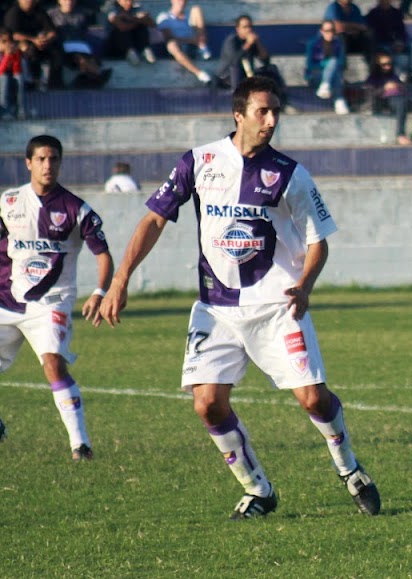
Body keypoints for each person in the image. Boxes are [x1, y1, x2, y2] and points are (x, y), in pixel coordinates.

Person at [96, 76, 381, 521]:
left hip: (278, 304)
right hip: (217, 306)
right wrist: (120, 279)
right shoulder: (200, 161)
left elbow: (318, 241)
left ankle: (349, 469)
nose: (270, 121)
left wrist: (304, 286)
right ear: (239, 113)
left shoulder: (290, 173)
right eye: (262, 112)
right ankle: (258, 490)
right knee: (207, 403)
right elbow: (153, 220)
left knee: (312, 399)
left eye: (275, 113)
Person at [0, 135, 114, 461]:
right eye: (41, 159)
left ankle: (80, 445)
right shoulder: (8, 202)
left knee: (52, 362)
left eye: (53, 159)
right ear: (28, 163)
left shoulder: (76, 209)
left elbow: (103, 254)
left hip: (52, 300)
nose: (48, 165)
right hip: (7, 300)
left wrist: (100, 291)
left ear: (60, 163)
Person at [367, 51, 412, 144]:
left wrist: (400, 86)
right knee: (401, 103)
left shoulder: (394, 76)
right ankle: (400, 134)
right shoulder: (373, 78)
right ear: (378, 65)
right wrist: (385, 88)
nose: (388, 67)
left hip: (402, 96)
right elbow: (372, 93)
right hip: (387, 100)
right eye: (384, 64)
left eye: (389, 64)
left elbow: (404, 87)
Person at [47, 0, 112, 88]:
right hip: (59, 47)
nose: (68, 2)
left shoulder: (83, 14)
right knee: (81, 58)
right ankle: (97, 74)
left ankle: (88, 77)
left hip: (79, 46)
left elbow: (91, 32)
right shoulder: (50, 14)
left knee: (86, 56)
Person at [6, 0, 65, 89]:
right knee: (29, 51)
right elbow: (14, 35)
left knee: (56, 52)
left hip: (40, 42)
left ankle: (54, 84)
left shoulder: (39, 11)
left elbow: (52, 31)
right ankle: (33, 82)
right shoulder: (13, 13)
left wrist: (46, 40)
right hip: (20, 44)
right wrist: (34, 40)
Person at [155, 0, 213, 85]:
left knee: (196, 9)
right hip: (179, 49)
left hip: (193, 45)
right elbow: (169, 38)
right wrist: (191, 40)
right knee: (171, 45)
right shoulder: (164, 17)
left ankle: (203, 48)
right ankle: (200, 73)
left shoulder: (190, 15)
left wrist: (196, 40)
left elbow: (200, 31)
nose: (182, 2)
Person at [306, 21, 351, 115]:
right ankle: (339, 99)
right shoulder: (313, 44)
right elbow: (310, 65)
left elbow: (341, 62)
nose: (330, 33)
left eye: (332, 30)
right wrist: (326, 64)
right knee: (333, 63)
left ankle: (325, 86)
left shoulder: (338, 44)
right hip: (316, 75)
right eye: (327, 30)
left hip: (335, 75)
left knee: (335, 68)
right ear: (321, 31)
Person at [216, 14, 269, 90]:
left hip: (247, 75)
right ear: (238, 29)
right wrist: (247, 44)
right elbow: (234, 61)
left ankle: (283, 98)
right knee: (236, 70)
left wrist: (258, 43)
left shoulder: (252, 42)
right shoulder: (231, 41)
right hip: (227, 77)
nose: (248, 30)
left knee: (271, 69)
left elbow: (265, 60)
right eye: (245, 27)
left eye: (250, 27)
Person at [367, 0, 412, 78]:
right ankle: (394, 76)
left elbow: (402, 31)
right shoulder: (373, 14)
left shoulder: (397, 13)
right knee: (388, 51)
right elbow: (375, 34)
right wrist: (392, 43)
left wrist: (401, 42)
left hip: (398, 42)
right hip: (383, 43)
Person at [105, 0, 156, 66]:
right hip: (116, 47)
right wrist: (138, 20)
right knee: (120, 31)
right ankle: (129, 52)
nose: (129, 3)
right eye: (126, 1)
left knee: (142, 28)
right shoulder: (111, 8)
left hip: (134, 43)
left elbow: (152, 24)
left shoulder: (136, 7)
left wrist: (135, 19)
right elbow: (121, 26)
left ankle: (145, 50)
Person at [324, 0, 374, 64]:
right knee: (342, 37)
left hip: (353, 39)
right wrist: (354, 26)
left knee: (369, 35)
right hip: (335, 42)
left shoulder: (355, 8)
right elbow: (337, 27)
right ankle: (341, 66)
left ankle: (371, 67)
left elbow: (362, 27)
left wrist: (347, 27)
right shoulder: (333, 7)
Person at [0, 29, 26, 119]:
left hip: (11, 80)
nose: (7, 44)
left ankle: (21, 111)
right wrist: (7, 56)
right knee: (4, 78)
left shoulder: (12, 51)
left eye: (9, 41)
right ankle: (4, 111)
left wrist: (15, 55)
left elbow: (17, 71)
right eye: (4, 41)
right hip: (3, 80)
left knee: (19, 77)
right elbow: (1, 71)